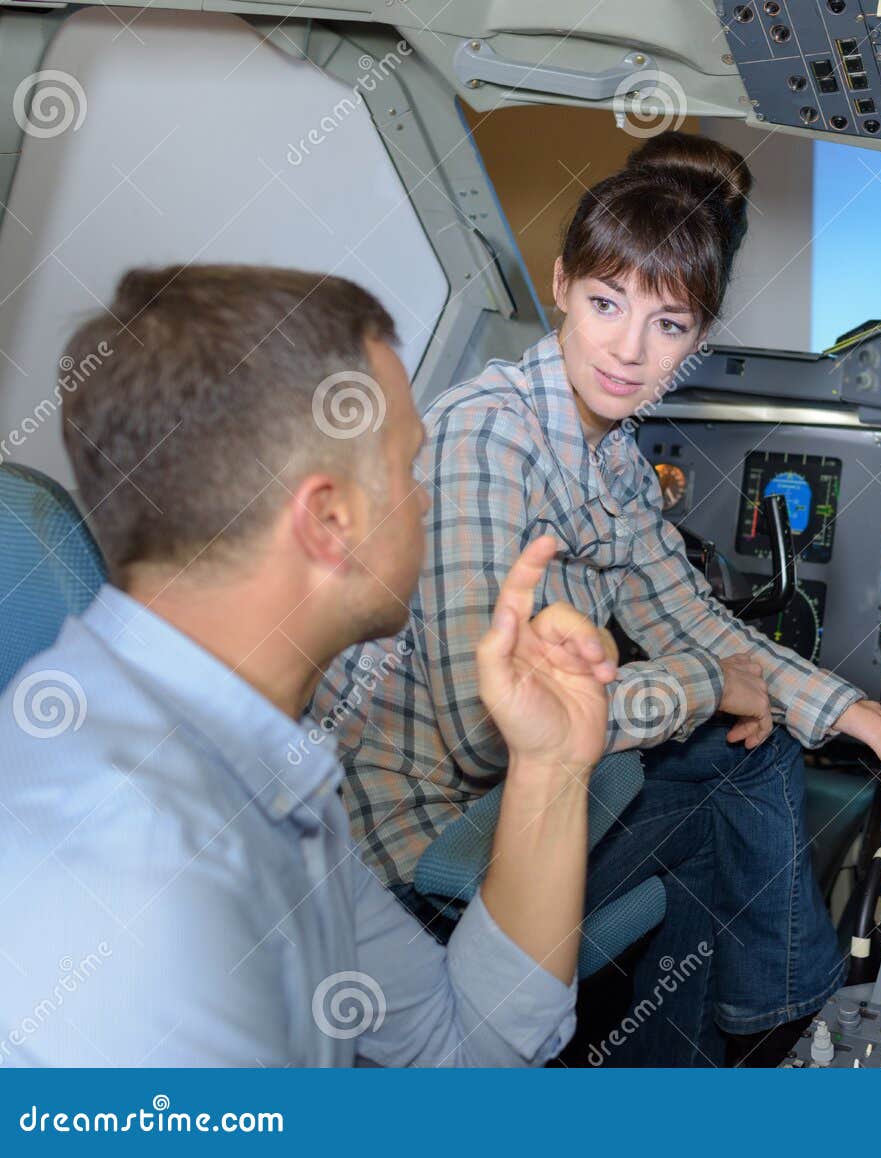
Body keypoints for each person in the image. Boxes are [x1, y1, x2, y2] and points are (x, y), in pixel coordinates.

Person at [313, 132, 881, 1065]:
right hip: (420, 853)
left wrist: (880, 729)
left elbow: (692, 618)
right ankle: (787, 1026)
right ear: (562, 284)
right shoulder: (487, 439)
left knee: (739, 767)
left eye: (669, 325)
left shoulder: (610, 452)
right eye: (607, 304)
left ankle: (744, 1038)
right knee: (741, 763)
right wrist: (703, 687)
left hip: (493, 798)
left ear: (698, 336)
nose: (628, 350)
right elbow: (484, 731)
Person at [0, 266, 617, 1065]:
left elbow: (460, 1055)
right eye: (406, 468)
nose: (424, 497)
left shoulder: (261, 765)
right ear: (330, 521)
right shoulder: (139, 870)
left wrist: (552, 764)